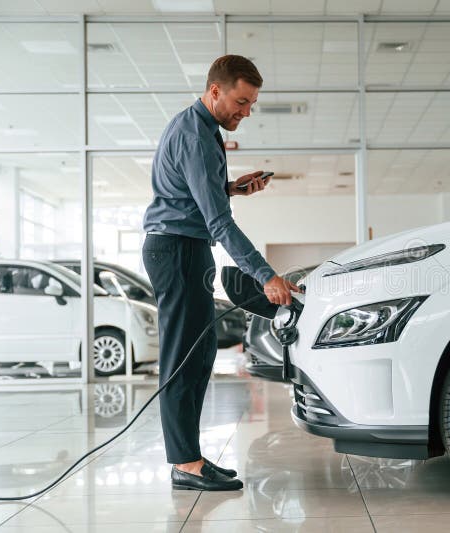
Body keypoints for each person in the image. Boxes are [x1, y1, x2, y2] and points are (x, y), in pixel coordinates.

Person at [141, 55, 299, 492]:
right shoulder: (195, 134)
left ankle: (188, 457)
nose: (246, 112)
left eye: (250, 104)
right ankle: (184, 465)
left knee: (199, 353)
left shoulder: (202, 130)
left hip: (184, 247)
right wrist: (266, 275)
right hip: (176, 249)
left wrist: (230, 187)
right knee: (182, 358)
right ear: (215, 91)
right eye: (241, 101)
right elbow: (219, 224)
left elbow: (195, 195)